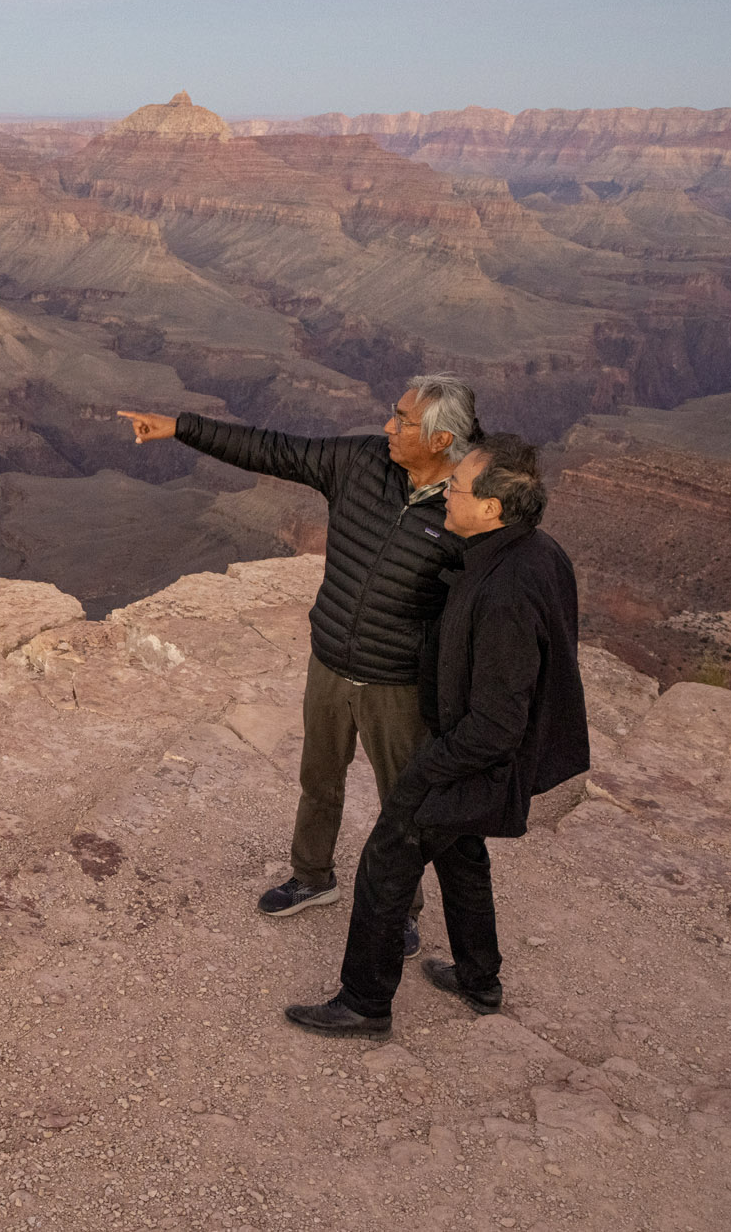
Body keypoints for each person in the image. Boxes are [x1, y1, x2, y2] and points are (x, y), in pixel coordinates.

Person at [120, 375, 479, 955]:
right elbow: (273, 448)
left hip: (400, 682)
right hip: (332, 658)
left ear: (441, 441)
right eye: (394, 415)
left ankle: (399, 907)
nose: (388, 427)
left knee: (403, 801)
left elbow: (493, 591)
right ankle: (312, 877)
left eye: (403, 421)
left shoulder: (468, 507)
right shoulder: (360, 461)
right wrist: (181, 427)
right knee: (319, 779)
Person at [283, 433, 590, 1037]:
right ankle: (480, 978)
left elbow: (497, 722)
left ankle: (365, 1002)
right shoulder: (532, 551)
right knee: (460, 850)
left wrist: (428, 767)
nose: (444, 493)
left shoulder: (505, 591)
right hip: (488, 754)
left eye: (456, 487)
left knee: (388, 856)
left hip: (478, 755)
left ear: (492, 508)